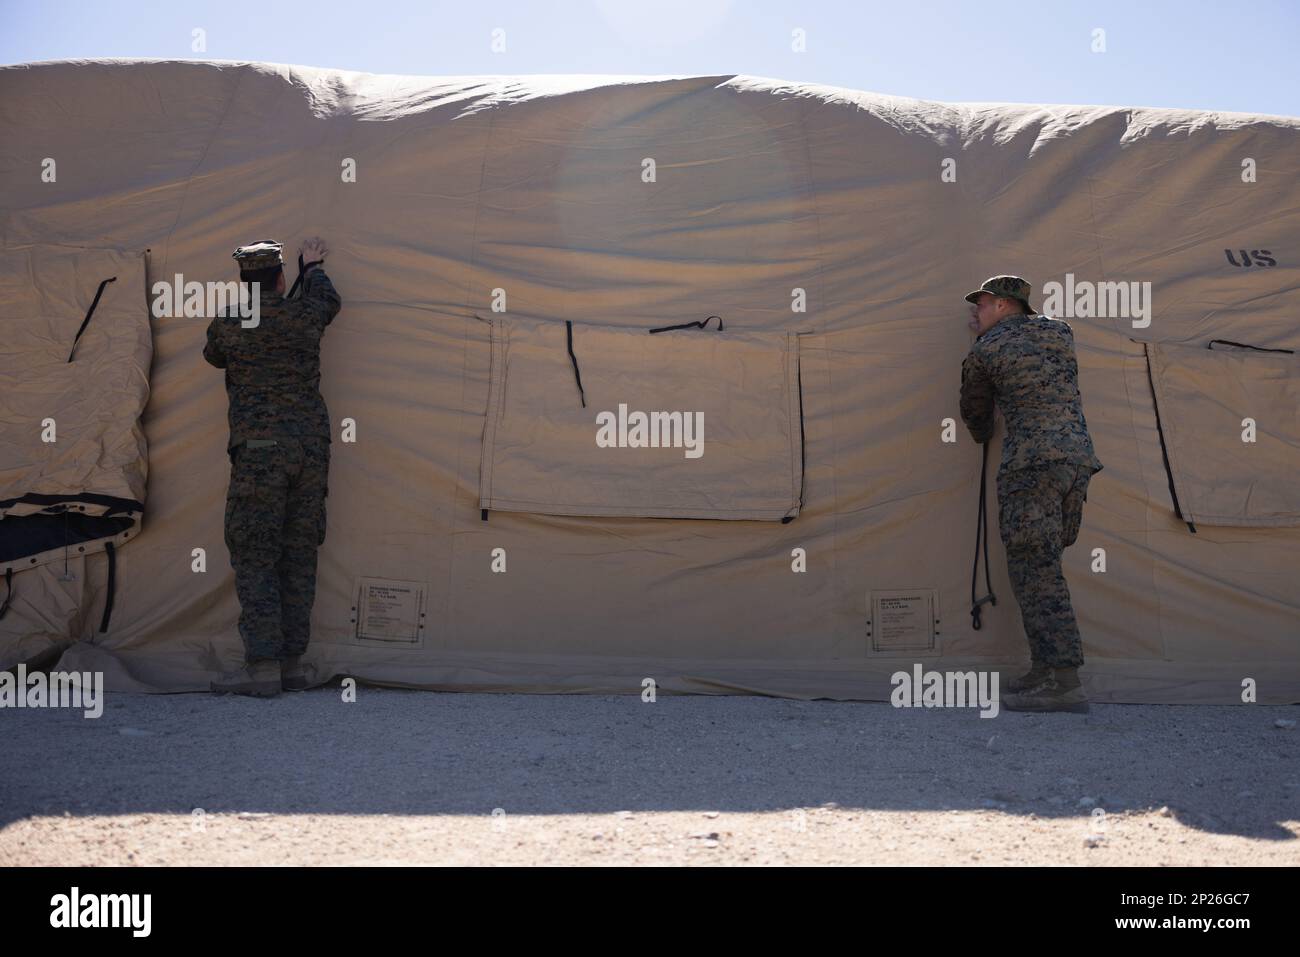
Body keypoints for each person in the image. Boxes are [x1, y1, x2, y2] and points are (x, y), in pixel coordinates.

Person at [203, 238, 341, 696]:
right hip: (310, 450)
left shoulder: (229, 322)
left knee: (256, 553)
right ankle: (292, 665)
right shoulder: (305, 314)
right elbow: (328, 301)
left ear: (244, 282)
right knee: (298, 554)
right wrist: (314, 266)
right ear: (281, 279)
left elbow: (213, 355)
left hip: (260, 453)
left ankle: (262, 667)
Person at [959, 275, 1103, 713]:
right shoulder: (1061, 332)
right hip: (1076, 462)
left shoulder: (984, 350)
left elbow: (975, 412)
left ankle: (1063, 682)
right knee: (1045, 564)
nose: (974, 314)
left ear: (1003, 305)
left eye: (981, 306)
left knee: (1035, 573)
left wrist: (984, 431)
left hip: (1032, 467)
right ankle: (1045, 669)